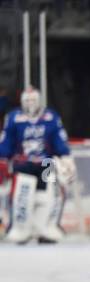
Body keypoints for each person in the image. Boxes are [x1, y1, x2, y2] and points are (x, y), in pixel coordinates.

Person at [0, 87, 74, 244]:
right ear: (22, 101)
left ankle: (49, 227)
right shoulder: (13, 117)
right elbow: (6, 140)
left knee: (54, 190)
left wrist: (65, 155)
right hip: (23, 161)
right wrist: (3, 157)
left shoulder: (51, 117)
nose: (30, 104)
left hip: (46, 161)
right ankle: (20, 229)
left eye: (33, 100)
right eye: (27, 100)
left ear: (39, 100)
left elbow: (59, 138)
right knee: (22, 194)